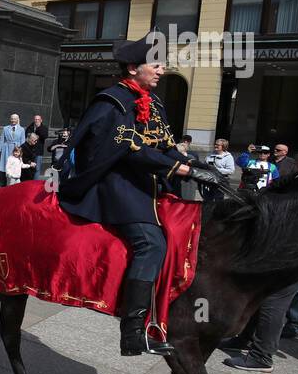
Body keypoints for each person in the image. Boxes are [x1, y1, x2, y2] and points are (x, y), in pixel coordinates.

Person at [58, 36, 206, 356]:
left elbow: (165, 146)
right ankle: (133, 330)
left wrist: (197, 165)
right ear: (132, 68)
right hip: (116, 183)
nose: (162, 70)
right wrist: (183, 172)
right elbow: (128, 153)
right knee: (151, 243)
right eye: (156, 64)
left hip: (148, 182)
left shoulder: (154, 102)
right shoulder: (111, 101)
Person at [223, 148, 298, 370]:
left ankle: (262, 356)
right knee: (259, 293)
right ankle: (245, 339)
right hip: (285, 246)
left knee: (274, 299)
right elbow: (276, 187)